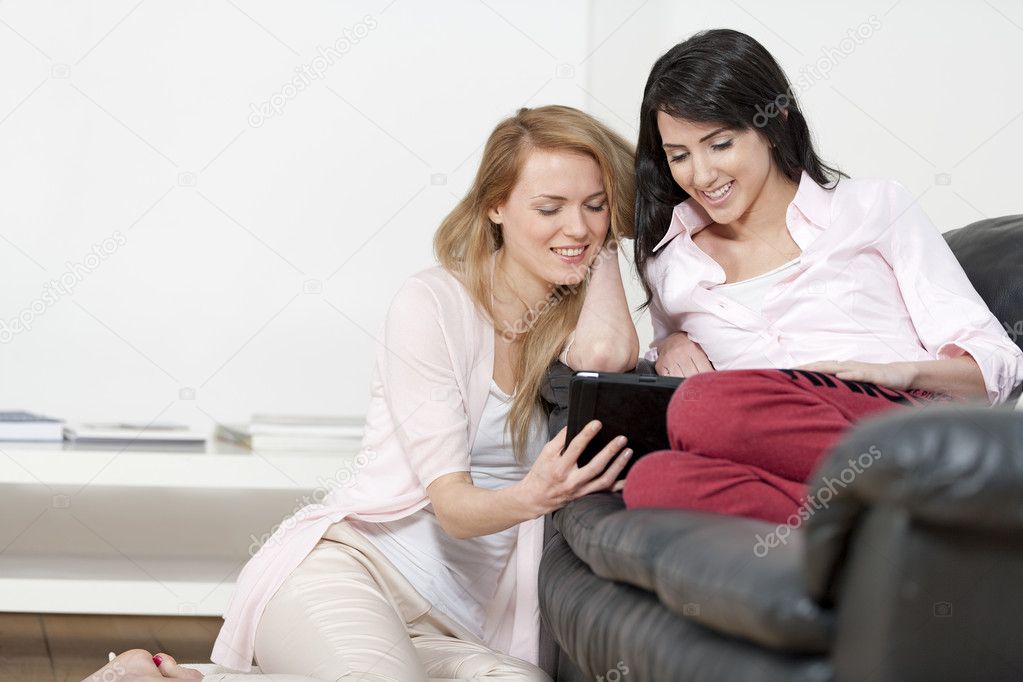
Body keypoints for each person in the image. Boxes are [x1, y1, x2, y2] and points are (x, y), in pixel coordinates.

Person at [203, 105, 638, 681]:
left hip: (458, 624)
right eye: (550, 208)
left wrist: (605, 245)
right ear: (496, 206)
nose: (576, 228)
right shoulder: (432, 304)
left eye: (595, 204)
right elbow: (454, 509)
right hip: (357, 571)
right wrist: (536, 495)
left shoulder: (576, 326)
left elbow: (607, 357)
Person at [624, 29, 1023, 523]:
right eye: (679, 155)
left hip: (890, 411)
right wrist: (667, 345)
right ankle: (885, 522)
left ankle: (931, 478)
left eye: (720, 144)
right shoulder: (669, 262)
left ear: (775, 121)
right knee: (651, 480)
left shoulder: (874, 207)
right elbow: (679, 380)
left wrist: (903, 372)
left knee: (703, 410)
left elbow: (999, 364)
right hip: (788, 451)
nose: (701, 175)